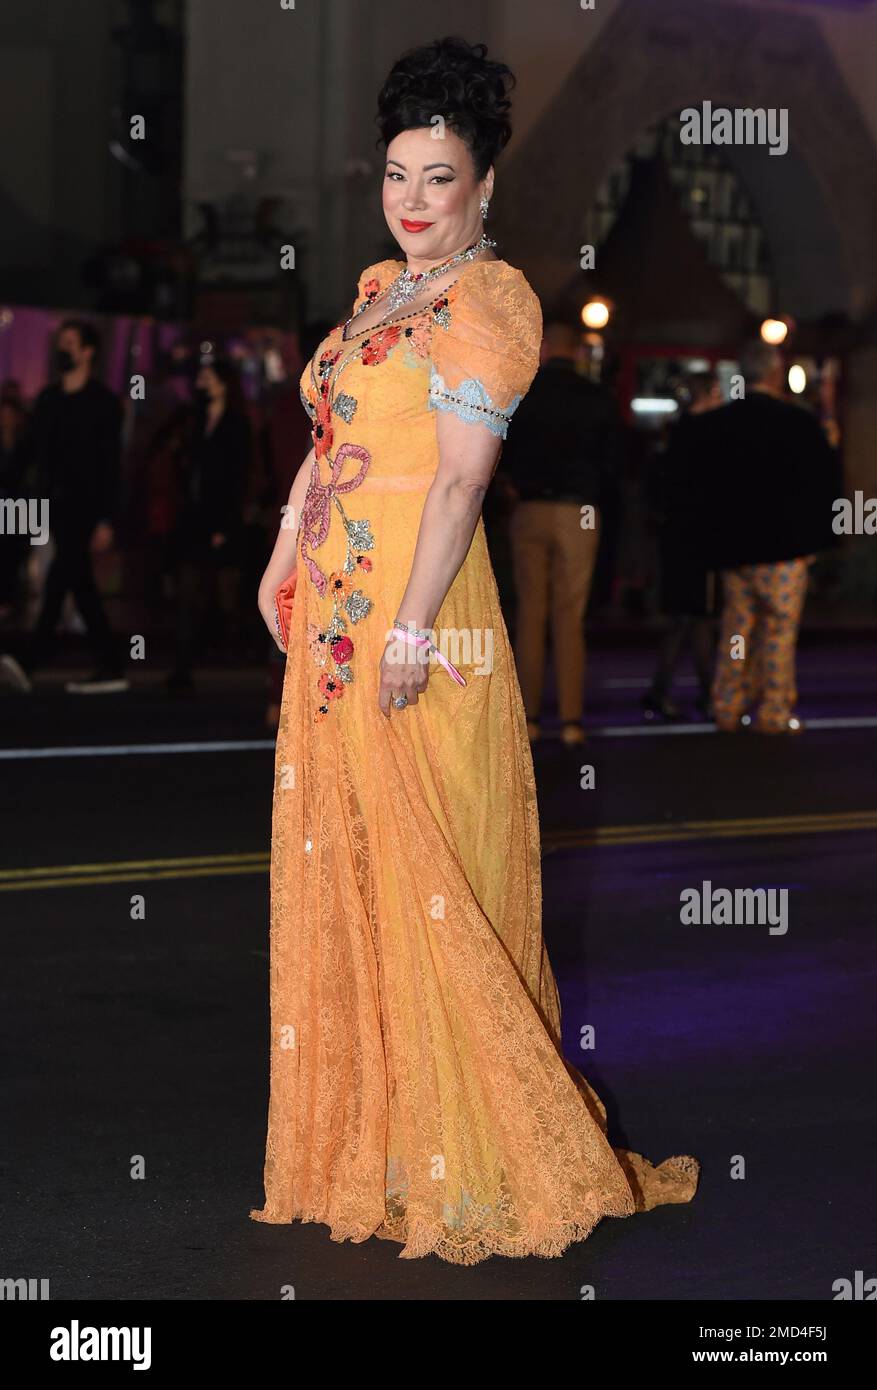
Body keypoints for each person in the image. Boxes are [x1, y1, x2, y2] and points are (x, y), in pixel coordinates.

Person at [248, 35, 698, 1265]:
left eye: (435, 177)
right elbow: (326, 437)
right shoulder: (370, 292)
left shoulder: (489, 301)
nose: (409, 200)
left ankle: (470, 1149)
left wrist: (405, 625)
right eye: (396, 174)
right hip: (335, 621)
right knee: (352, 866)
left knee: (432, 873)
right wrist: (285, 548)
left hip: (422, 623)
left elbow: (456, 485)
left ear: (482, 184)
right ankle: (384, 1140)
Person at [703, 340, 840, 733]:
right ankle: (773, 709)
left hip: (736, 545)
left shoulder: (725, 422)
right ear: (775, 374)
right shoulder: (797, 423)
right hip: (785, 547)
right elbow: (823, 477)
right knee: (779, 631)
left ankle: (727, 704)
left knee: (737, 628)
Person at [501, 321, 620, 744]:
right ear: (579, 351)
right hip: (579, 509)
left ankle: (529, 716)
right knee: (570, 616)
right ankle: (571, 719)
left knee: (531, 613)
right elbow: (613, 462)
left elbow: (503, 449)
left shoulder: (525, 395)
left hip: (532, 506)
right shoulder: (597, 397)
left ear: (546, 347)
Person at [0, 319, 127, 694]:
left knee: (67, 575)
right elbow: (27, 452)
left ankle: (34, 659)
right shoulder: (49, 399)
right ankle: (104, 663)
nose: (63, 349)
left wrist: (107, 517)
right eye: (61, 342)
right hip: (50, 501)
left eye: (70, 342)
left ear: (88, 350)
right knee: (70, 578)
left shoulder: (103, 403)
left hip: (85, 505)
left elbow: (111, 465)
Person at [165, 357, 251, 693]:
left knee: (224, 593)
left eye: (207, 377)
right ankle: (183, 665)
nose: (201, 383)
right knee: (188, 590)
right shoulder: (193, 421)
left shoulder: (237, 423)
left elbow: (238, 477)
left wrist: (227, 524)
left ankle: (234, 648)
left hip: (222, 517)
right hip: (193, 518)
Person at [643, 369, 722, 721]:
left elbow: (659, 487)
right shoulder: (710, 436)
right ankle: (695, 693)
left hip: (676, 537)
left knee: (686, 616)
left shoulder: (675, 433)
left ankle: (694, 692)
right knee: (698, 616)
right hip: (701, 538)